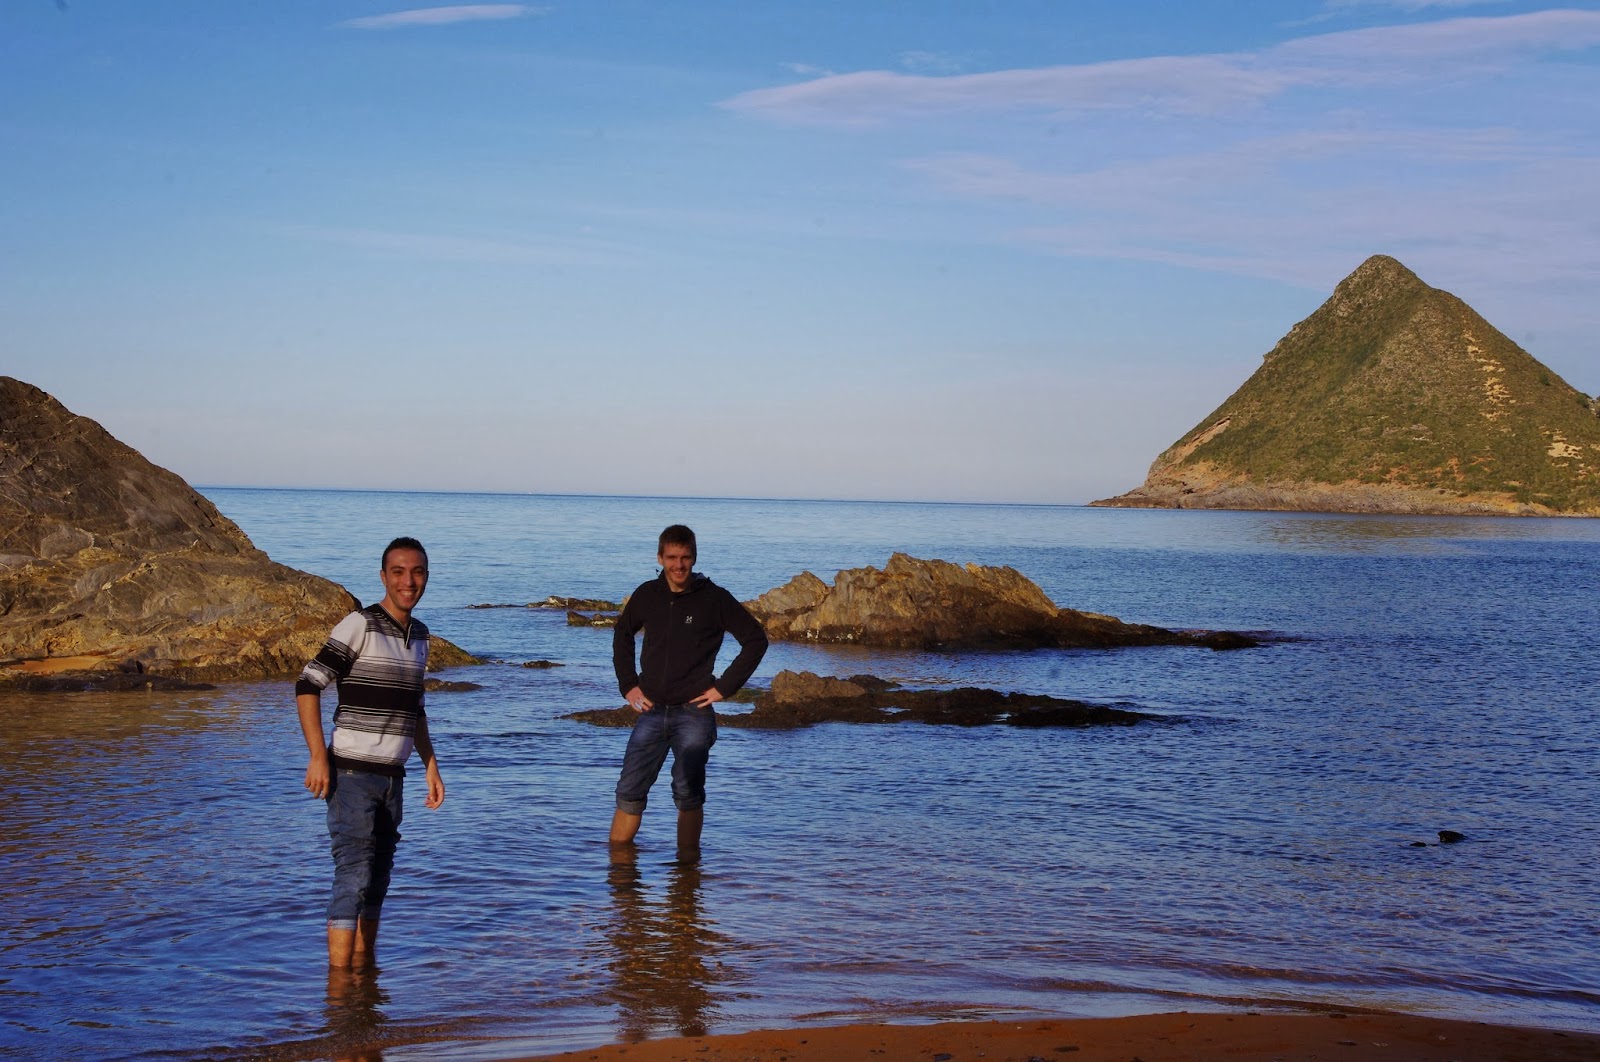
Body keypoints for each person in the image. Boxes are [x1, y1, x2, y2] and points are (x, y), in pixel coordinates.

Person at [296, 536, 445, 969]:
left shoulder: (420, 635)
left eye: (416, 572)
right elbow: (308, 684)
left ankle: (365, 972)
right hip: (351, 776)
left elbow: (415, 708)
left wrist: (431, 765)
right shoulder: (359, 624)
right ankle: (339, 984)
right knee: (354, 875)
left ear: (426, 578)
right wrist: (318, 756)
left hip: (393, 778)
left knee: (378, 879)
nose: (408, 581)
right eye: (398, 572)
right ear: (383, 577)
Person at [610, 524, 767, 855]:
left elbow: (755, 640)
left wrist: (723, 688)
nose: (678, 565)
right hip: (651, 710)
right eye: (671, 558)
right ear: (660, 558)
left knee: (687, 792)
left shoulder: (714, 598)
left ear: (694, 558)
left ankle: (687, 872)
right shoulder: (647, 595)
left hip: (694, 712)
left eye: (684, 558)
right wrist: (629, 685)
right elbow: (622, 634)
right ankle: (618, 872)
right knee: (629, 790)